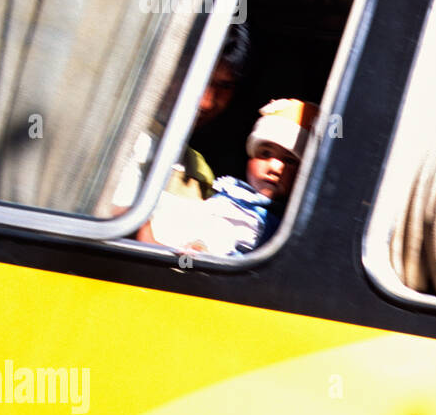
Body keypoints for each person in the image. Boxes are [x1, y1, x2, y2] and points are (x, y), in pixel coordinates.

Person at [112, 24, 251, 241]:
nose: (207, 102)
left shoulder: (198, 170)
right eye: (200, 78)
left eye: (223, 86)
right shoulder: (117, 140)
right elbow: (115, 219)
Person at [178, 98, 319, 256]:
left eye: (290, 161)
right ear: (250, 159)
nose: (274, 168)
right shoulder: (230, 193)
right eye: (265, 153)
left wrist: (203, 249)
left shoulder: (277, 223)